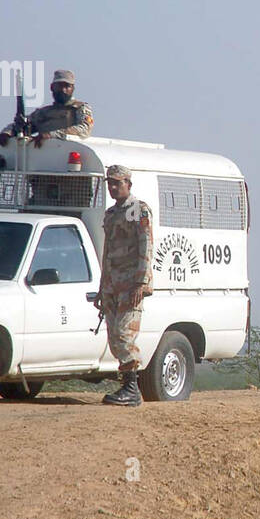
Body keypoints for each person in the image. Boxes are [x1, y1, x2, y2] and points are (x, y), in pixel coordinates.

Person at [95, 165, 153, 406]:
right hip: (112, 284)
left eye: (117, 183)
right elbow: (107, 250)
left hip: (131, 284)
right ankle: (127, 387)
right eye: (110, 183)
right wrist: (102, 286)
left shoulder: (139, 210)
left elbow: (146, 245)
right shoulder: (111, 214)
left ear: (129, 183)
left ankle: (132, 390)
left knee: (124, 334)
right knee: (113, 337)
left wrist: (141, 281)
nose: (113, 187)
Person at [0, 68, 93, 144]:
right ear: (52, 88)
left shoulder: (80, 108)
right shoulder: (44, 112)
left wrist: (52, 135)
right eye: (59, 86)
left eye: (67, 86)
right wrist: (7, 133)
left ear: (73, 88)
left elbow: (84, 130)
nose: (63, 90)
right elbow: (24, 123)